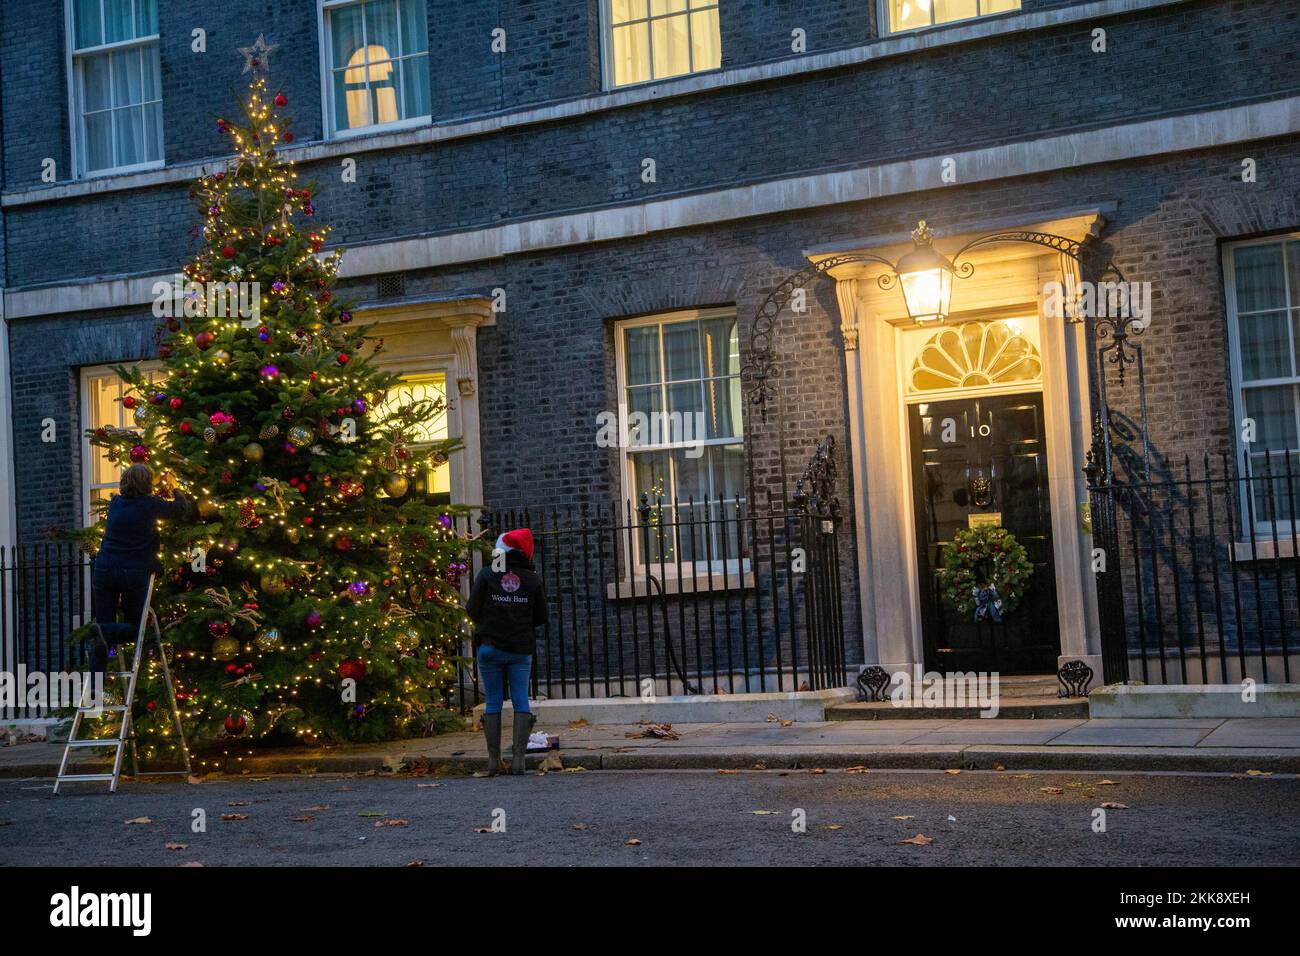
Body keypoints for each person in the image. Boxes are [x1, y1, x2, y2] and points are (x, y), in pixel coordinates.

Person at [87, 464, 191, 694]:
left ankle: (95, 683)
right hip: (132, 571)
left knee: (104, 626)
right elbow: (180, 509)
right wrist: (175, 487)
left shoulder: (115, 503)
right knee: (135, 629)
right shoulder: (149, 504)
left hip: (104, 569)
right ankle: (106, 632)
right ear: (147, 484)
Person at [466, 527, 546, 776]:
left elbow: (471, 609)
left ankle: (493, 760)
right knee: (521, 698)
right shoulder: (532, 579)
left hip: (490, 647)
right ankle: (519, 761)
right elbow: (541, 616)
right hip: (520, 649)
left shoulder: (488, 574)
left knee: (493, 700)